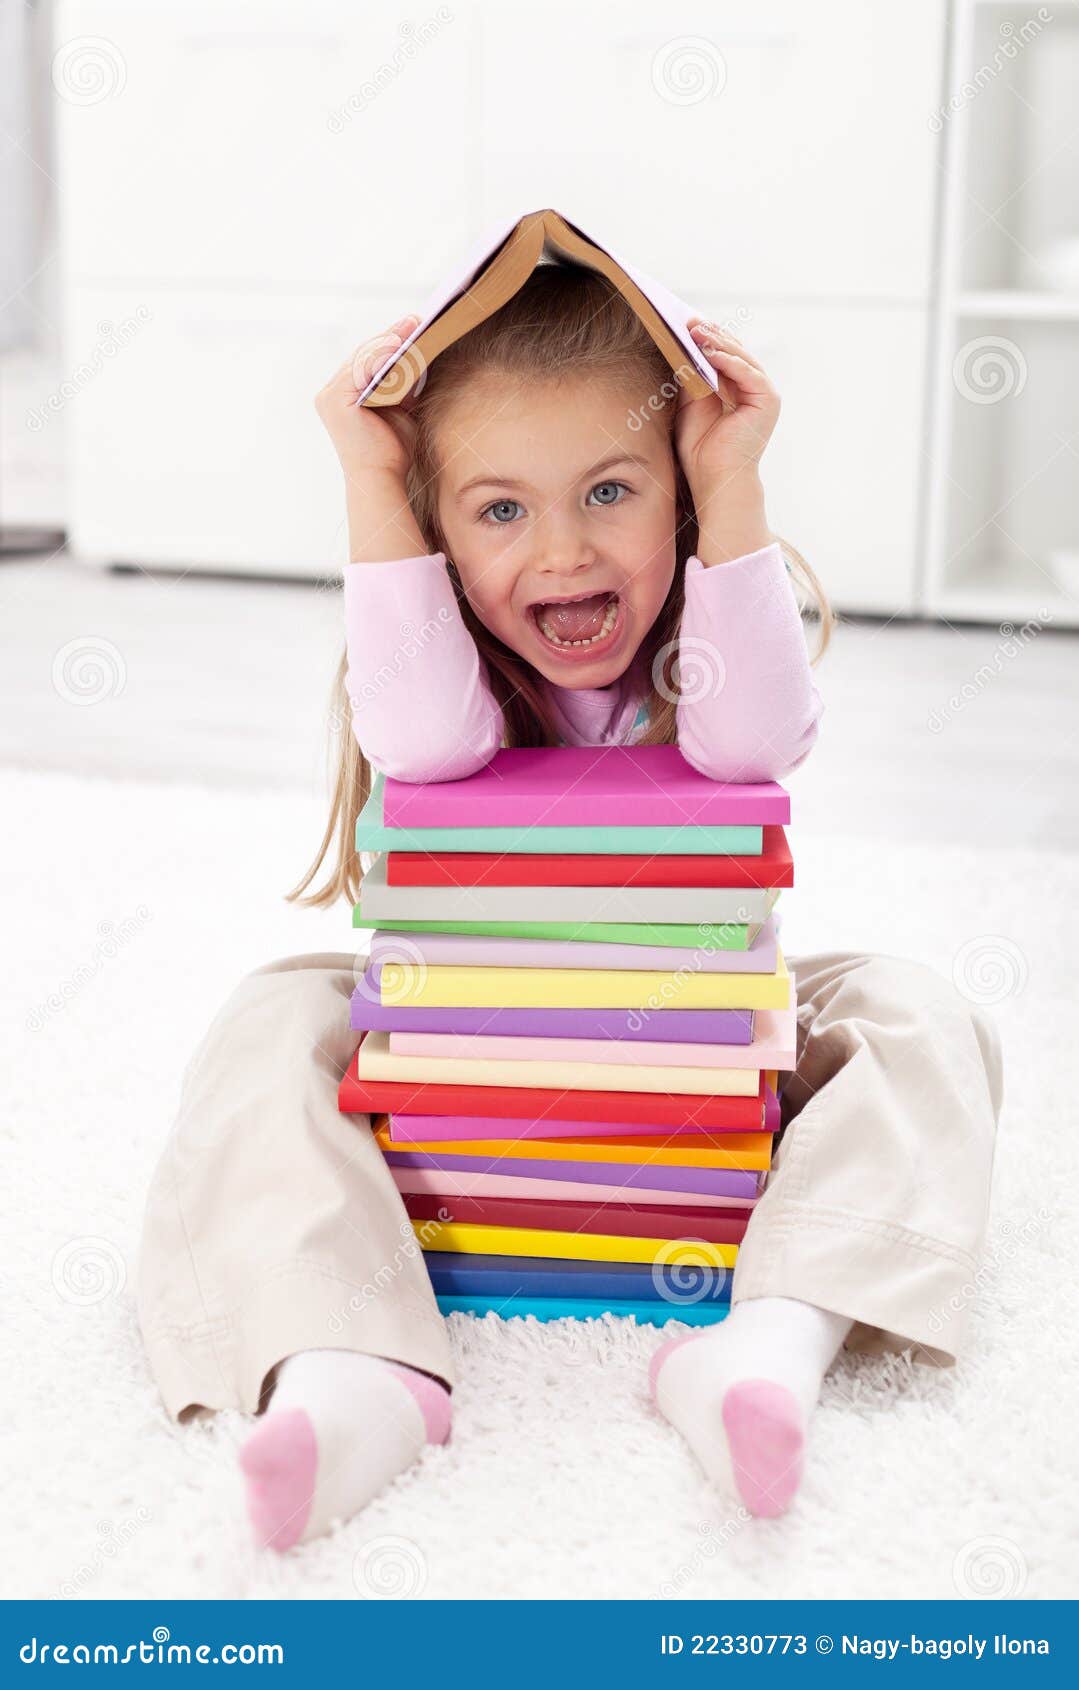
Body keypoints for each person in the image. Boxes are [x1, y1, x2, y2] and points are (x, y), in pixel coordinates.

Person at [136, 263, 1002, 1550]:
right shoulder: (436, 664)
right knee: (272, 1017)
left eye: (610, 491)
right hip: (459, 1077)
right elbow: (425, 746)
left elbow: (746, 740)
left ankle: (772, 1334)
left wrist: (731, 481)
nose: (561, 550)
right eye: (499, 509)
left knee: (914, 1008)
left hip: (701, 1057)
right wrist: (371, 480)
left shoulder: (710, 638)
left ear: (677, 497)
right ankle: (346, 1358)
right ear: (437, 537)